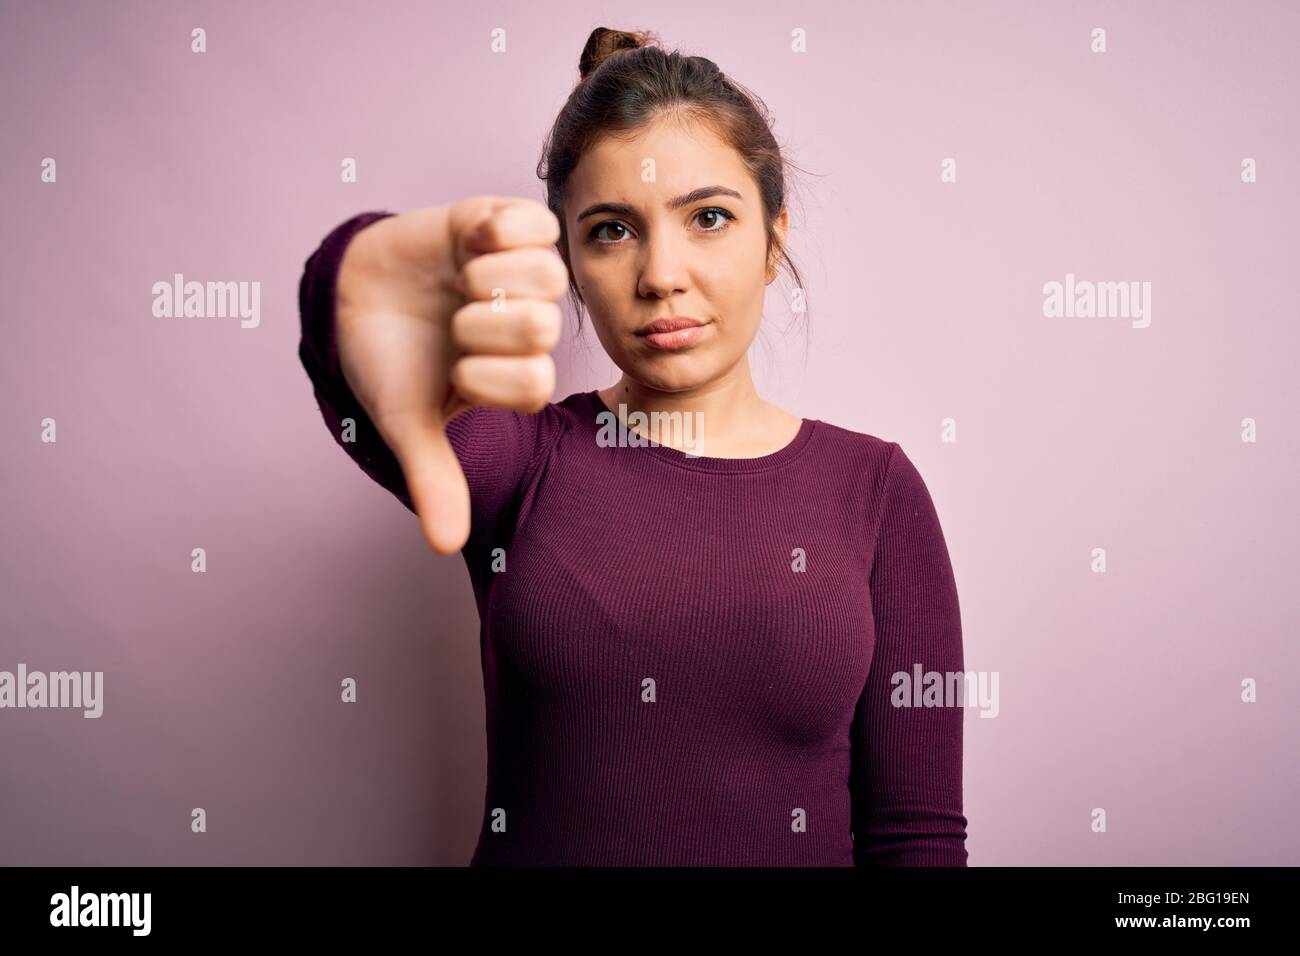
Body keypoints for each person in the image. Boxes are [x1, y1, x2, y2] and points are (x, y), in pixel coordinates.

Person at [297, 27, 969, 866]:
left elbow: (917, 838)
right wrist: (348, 277)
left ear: (774, 238)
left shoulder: (875, 491)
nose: (661, 275)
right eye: (612, 230)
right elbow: (359, 367)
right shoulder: (519, 460)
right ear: (570, 263)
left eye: (709, 218)